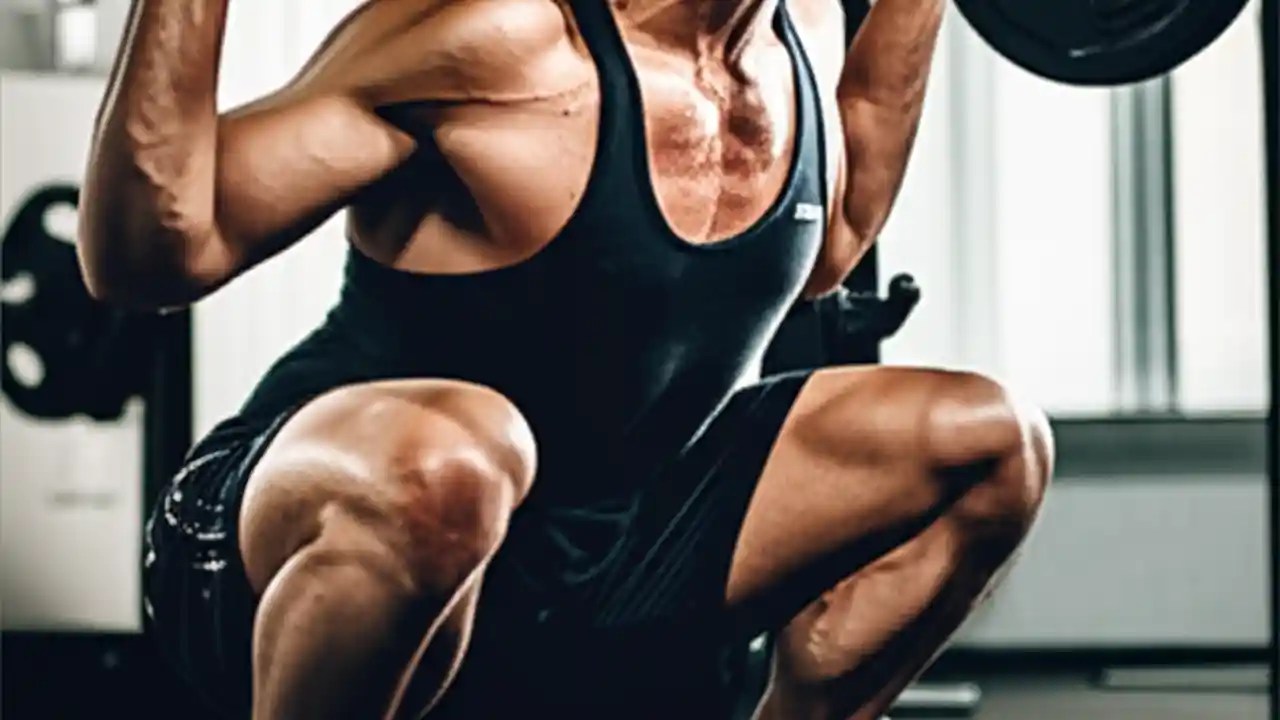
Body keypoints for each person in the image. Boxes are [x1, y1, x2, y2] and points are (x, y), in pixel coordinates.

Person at [79, 0, 1053, 718]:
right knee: (460, 458)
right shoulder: (502, 41)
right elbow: (151, 256)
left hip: (600, 555)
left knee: (988, 442)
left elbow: (829, 244)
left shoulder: (779, 55)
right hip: (290, 549)